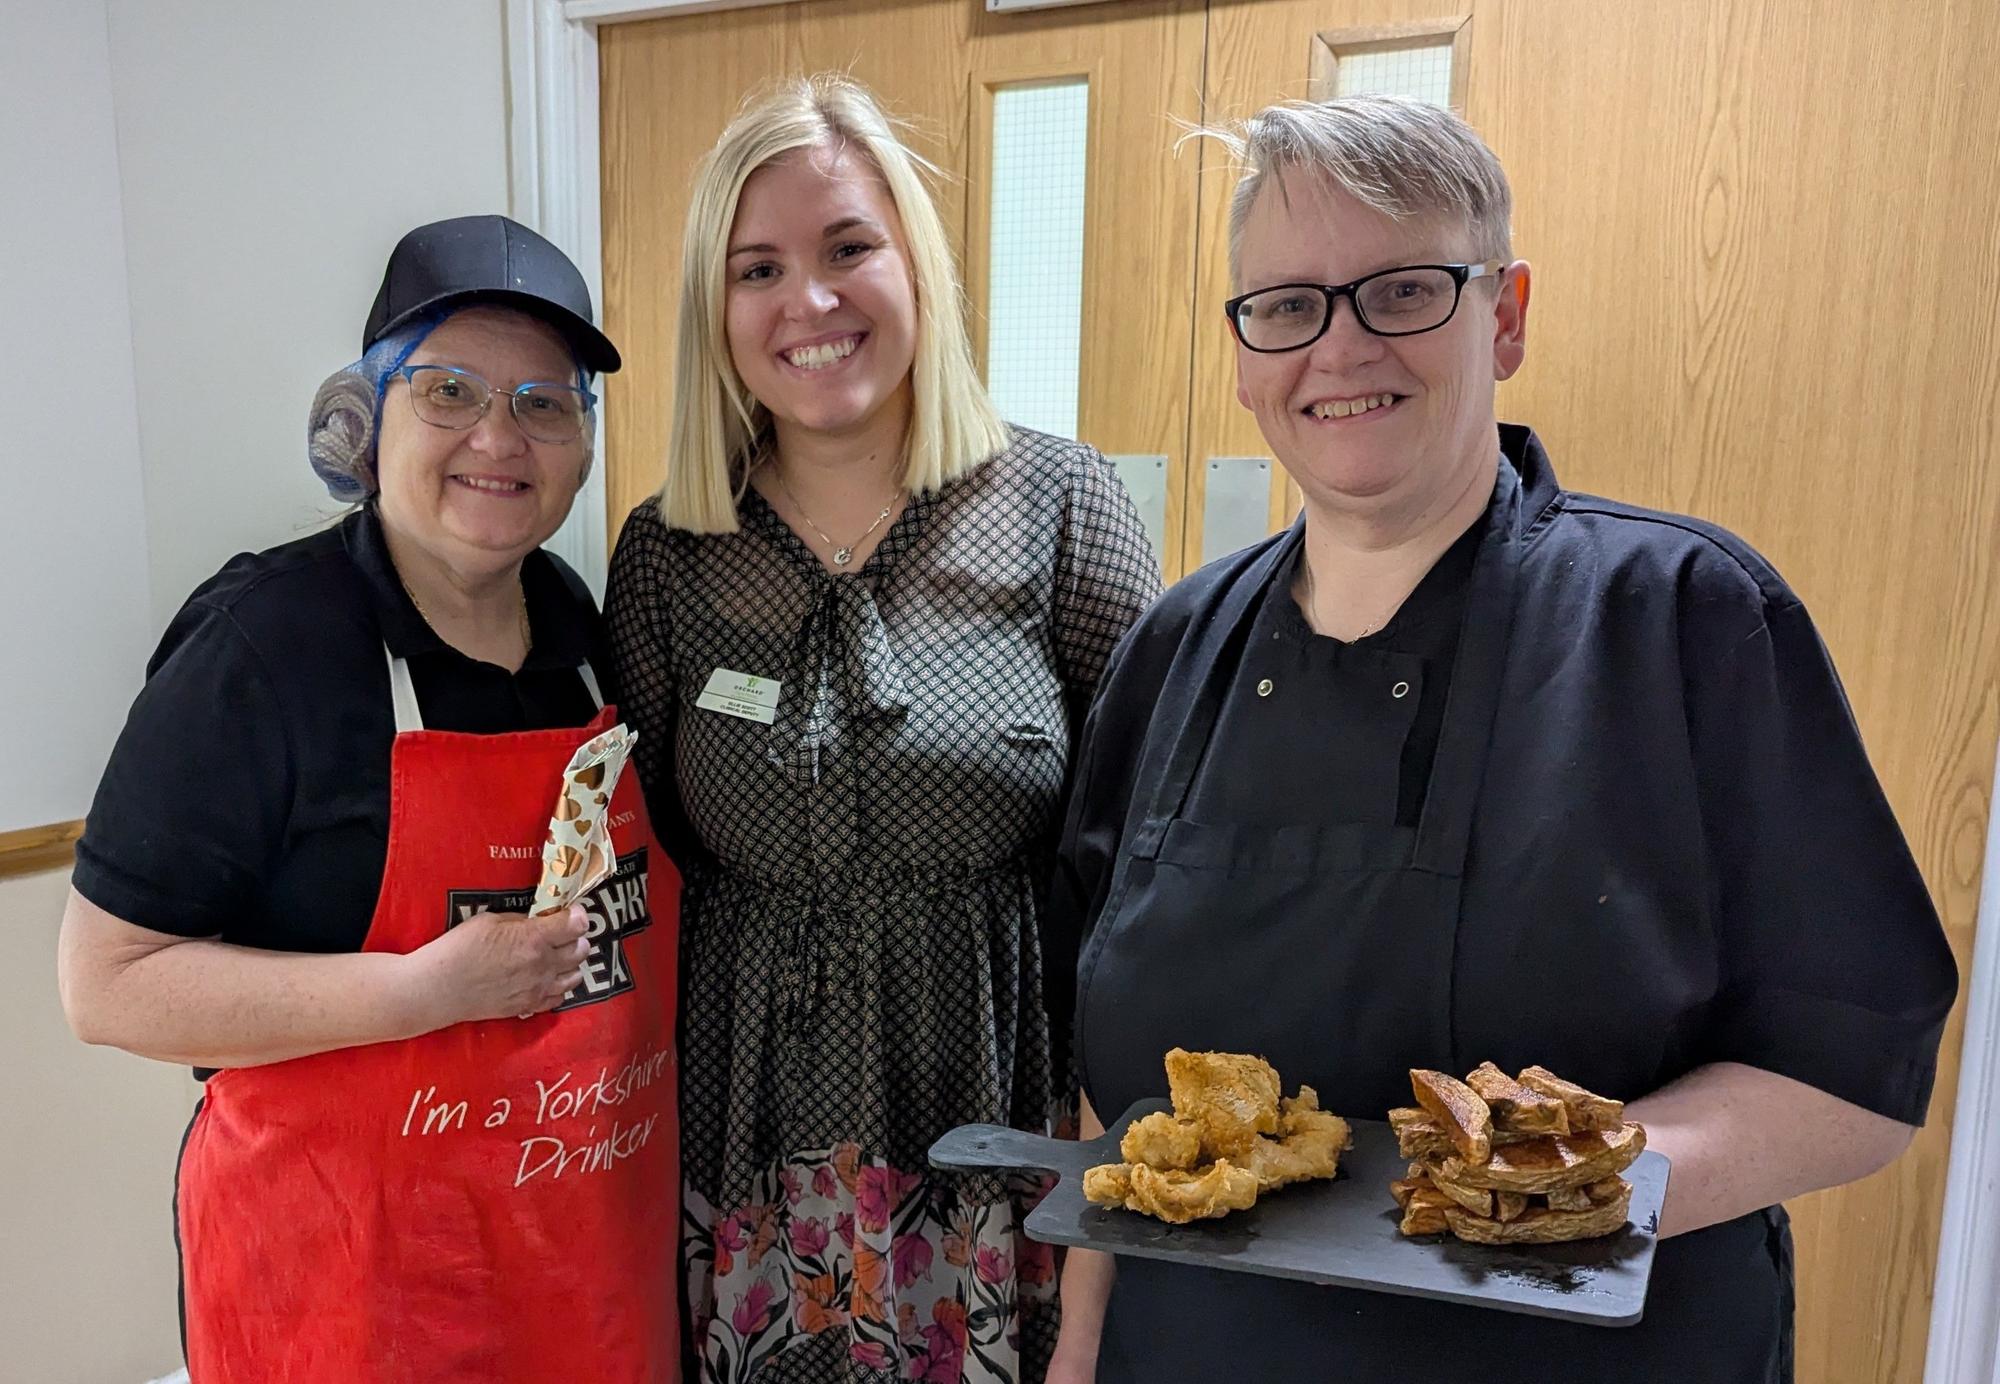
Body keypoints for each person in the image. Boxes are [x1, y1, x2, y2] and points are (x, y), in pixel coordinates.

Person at [1044, 95, 1957, 1383]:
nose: (1339, 347)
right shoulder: (1171, 650)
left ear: (1505, 315)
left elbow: (1851, 1073)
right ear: (1244, 352)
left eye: (1402, 291)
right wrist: (1081, 1344)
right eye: (1288, 306)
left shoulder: (1684, 619)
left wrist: (1544, 1189)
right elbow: (1116, 1094)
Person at [57, 215, 682, 1382]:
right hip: (345, 1296)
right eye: (449, 391)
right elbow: (107, 984)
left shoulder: (582, 627)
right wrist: (423, 991)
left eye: (544, 403)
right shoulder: (264, 642)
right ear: (361, 417)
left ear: (583, 445)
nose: (498, 435)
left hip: (580, 1274)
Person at [605, 74, 1160, 1383]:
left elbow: (1148, 875)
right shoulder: (666, 555)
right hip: (750, 1142)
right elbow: (652, 865)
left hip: (1008, 1127)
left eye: (848, 246)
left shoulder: (1062, 507)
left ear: (916, 263)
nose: (808, 301)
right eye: (758, 268)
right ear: (714, 310)